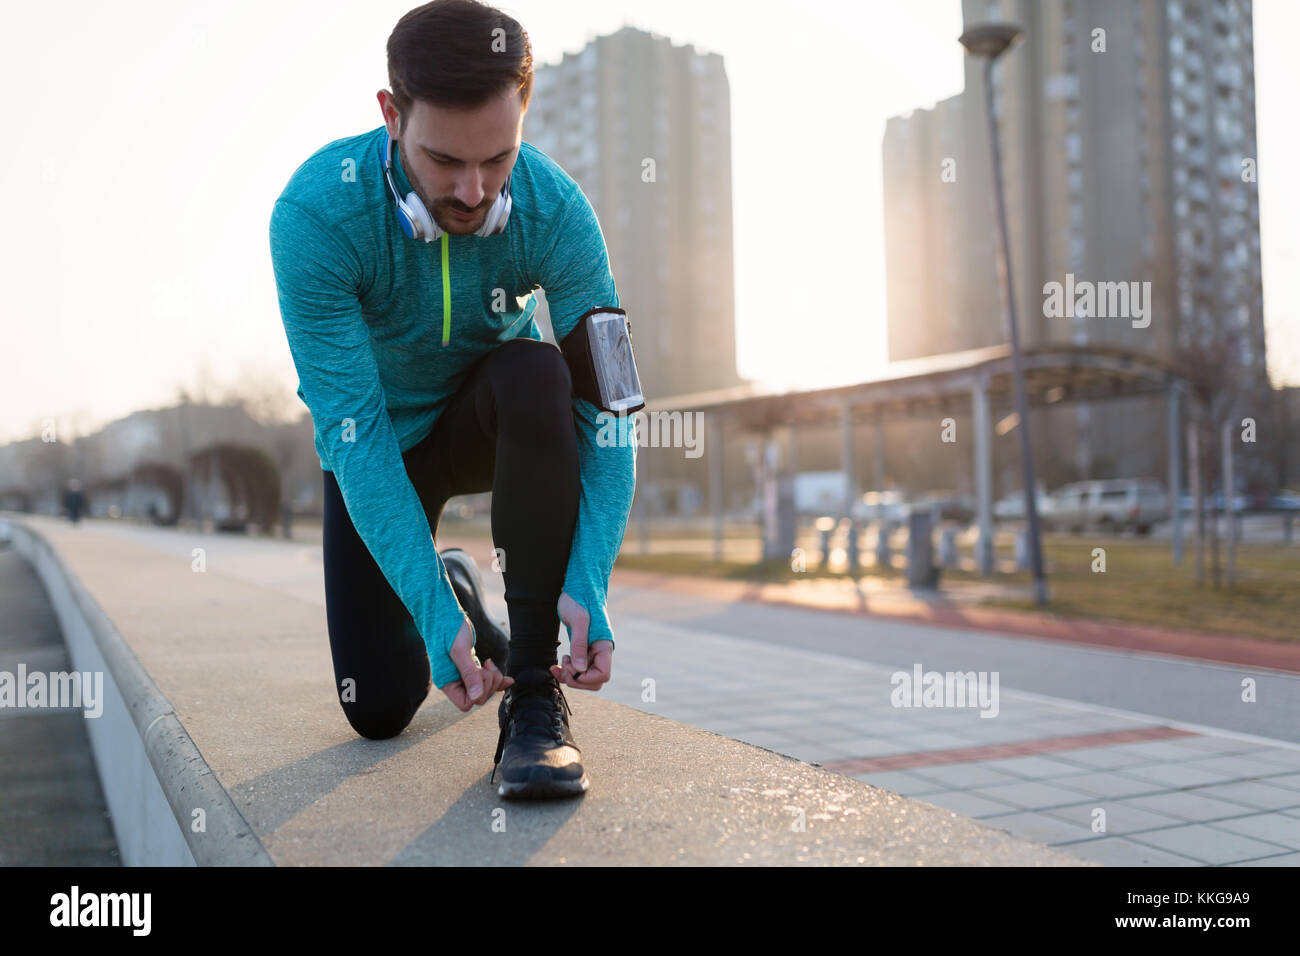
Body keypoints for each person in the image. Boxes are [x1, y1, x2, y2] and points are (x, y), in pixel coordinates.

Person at [268, 0, 636, 799]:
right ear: (391, 115)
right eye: (444, 162)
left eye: (497, 160)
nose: (474, 194)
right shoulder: (315, 218)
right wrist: (437, 612)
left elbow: (605, 418)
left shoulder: (558, 212)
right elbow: (355, 437)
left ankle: (535, 701)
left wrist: (590, 576)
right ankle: (456, 584)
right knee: (379, 709)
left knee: (541, 373)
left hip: (485, 418)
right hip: (378, 447)